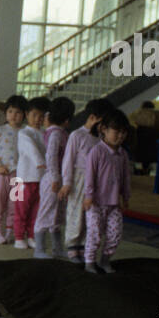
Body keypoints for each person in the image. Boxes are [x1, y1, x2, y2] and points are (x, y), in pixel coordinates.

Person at [58, 98, 112, 263]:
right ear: (92, 118)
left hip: (95, 182)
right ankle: (73, 246)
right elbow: (68, 161)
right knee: (76, 213)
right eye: (102, 122)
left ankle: (84, 246)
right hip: (78, 180)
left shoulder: (101, 138)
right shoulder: (77, 135)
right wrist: (67, 183)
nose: (104, 127)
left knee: (91, 215)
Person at [82, 109, 133, 273]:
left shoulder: (122, 154)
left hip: (114, 204)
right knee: (94, 233)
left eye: (124, 132)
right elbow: (90, 176)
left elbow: (126, 177)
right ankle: (89, 261)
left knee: (115, 233)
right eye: (117, 131)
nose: (120, 136)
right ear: (103, 129)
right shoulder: (96, 152)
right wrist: (88, 196)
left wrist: (126, 196)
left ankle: (105, 260)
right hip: (96, 203)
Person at [34, 96, 74, 259]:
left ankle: (57, 248)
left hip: (58, 179)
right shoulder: (56, 134)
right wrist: (56, 178)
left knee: (57, 215)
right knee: (45, 213)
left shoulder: (60, 133)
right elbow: (51, 157)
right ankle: (39, 249)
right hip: (52, 179)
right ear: (66, 120)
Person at [0, 94, 26, 244]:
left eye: (18, 112)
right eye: (10, 111)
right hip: (1, 174)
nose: (14, 115)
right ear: (6, 113)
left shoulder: (25, 132)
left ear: (24, 115)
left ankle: (10, 231)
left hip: (20, 176)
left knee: (15, 205)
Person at [13, 96, 49, 249]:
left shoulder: (45, 133)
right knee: (19, 209)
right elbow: (32, 150)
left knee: (36, 210)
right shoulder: (23, 133)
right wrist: (41, 163)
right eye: (34, 115)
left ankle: (32, 235)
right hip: (21, 179)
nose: (38, 119)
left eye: (41, 116)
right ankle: (19, 237)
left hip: (40, 179)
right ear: (27, 114)